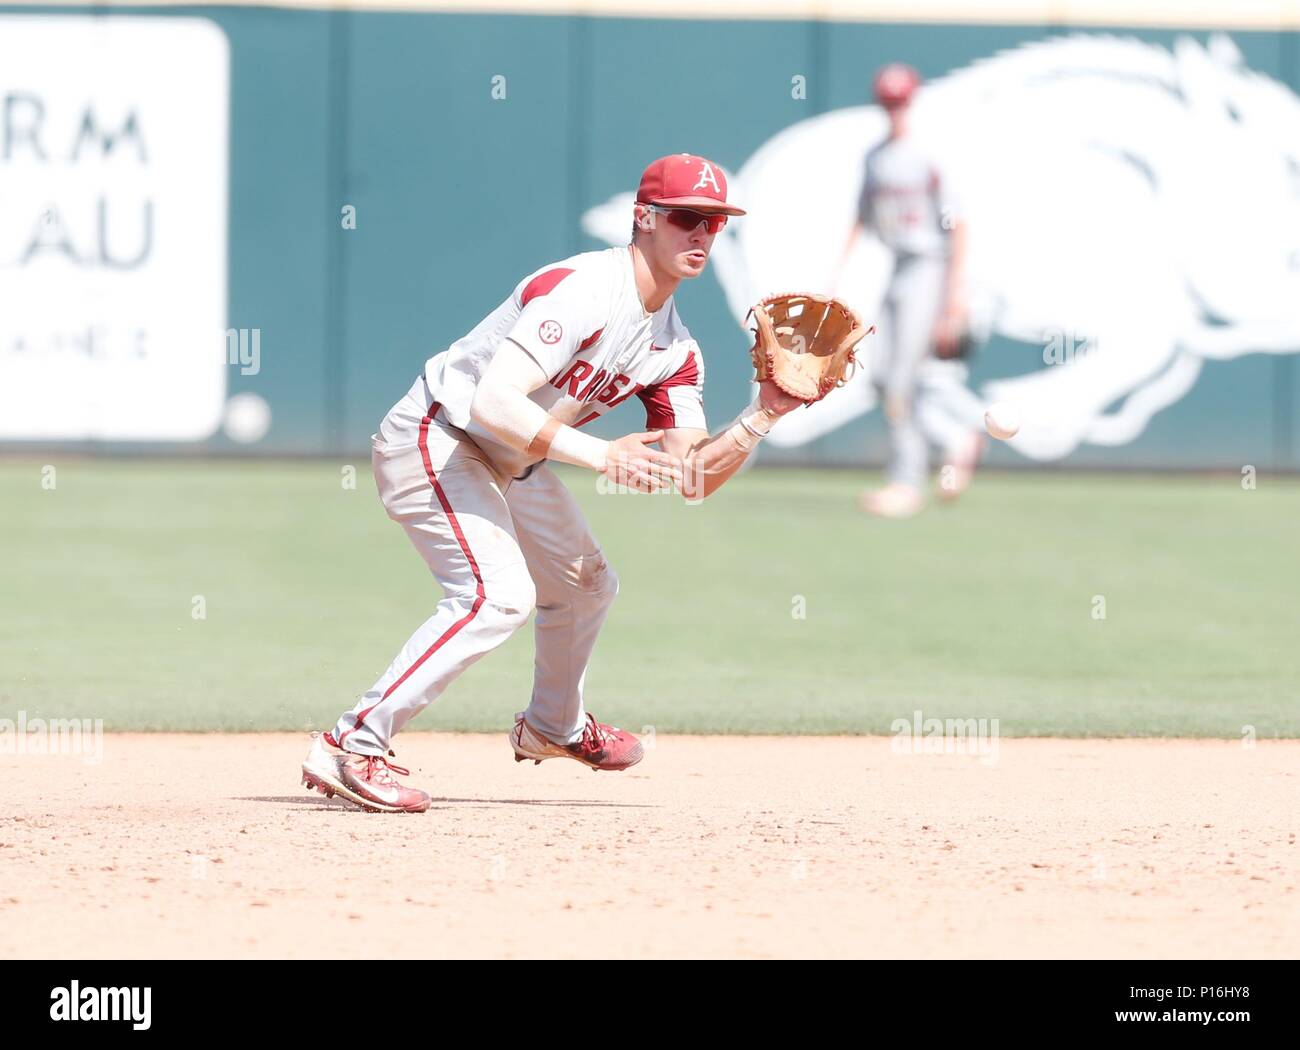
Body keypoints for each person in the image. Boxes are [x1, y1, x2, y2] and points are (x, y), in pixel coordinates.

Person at [301, 153, 805, 813]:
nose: (702, 236)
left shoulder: (675, 350)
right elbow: (492, 403)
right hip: (438, 437)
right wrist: (602, 458)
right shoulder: (584, 289)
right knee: (497, 596)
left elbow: (692, 478)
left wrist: (765, 412)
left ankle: (553, 727)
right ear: (643, 218)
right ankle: (351, 745)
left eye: (714, 223)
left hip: (513, 460)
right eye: (687, 218)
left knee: (587, 586)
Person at [835, 63, 986, 519]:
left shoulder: (928, 154)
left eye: (900, 101)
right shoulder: (876, 157)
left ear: (912, 101)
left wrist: (954, 297)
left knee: (903, 378)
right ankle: (957, 438)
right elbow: (861, 215)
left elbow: (957, 224)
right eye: (889, 102)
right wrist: (837, 272)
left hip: (931, 266)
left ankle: (906, 481)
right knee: (883, 378)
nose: (895, 109)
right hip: (900, 266)